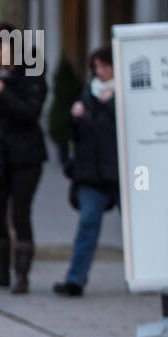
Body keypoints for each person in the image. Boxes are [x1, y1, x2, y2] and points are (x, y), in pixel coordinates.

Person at [0, 23, 47, 294]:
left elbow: (30, 112)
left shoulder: (33, 70)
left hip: (27, 156)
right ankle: (0, 271)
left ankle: (22, 276)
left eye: (0, 47)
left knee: (20, 214)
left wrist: (4, 91)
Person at [54, 46, 118, 297]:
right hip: (92, 174)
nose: (99, 71)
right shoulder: (88, 94)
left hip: (126, 173)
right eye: (96, 67)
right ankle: (75, 280)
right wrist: (74, 117)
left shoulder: (126, 91)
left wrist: (111, 104)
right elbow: (74, 137)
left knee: (139, 225)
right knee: (87, 225)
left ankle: (147, 276)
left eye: (104, 66)